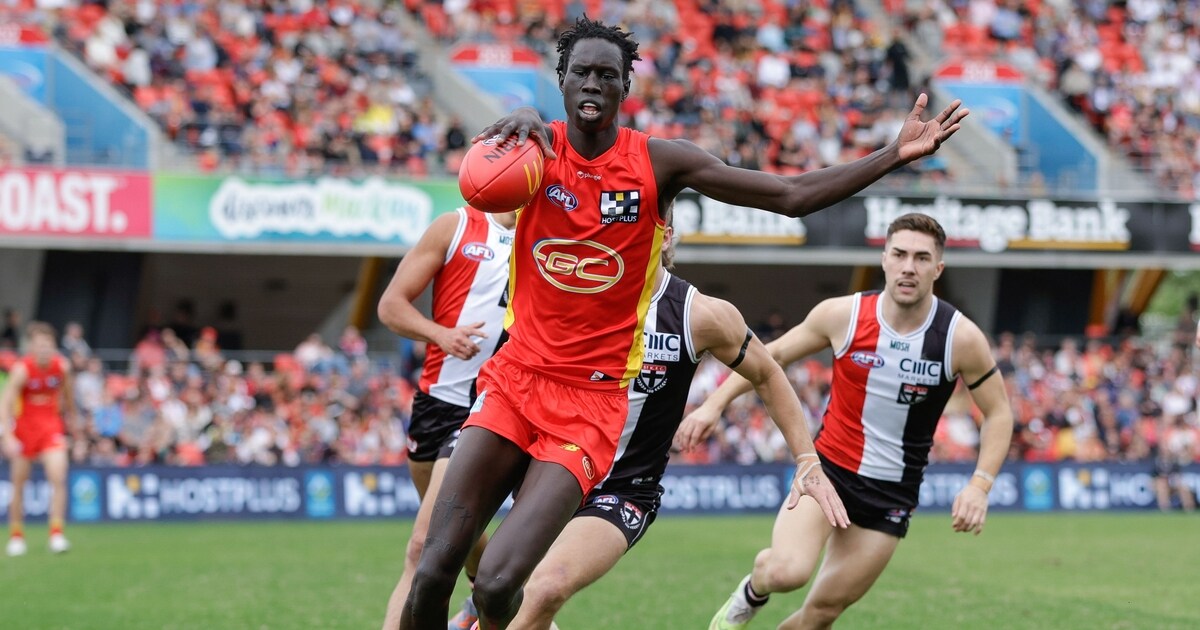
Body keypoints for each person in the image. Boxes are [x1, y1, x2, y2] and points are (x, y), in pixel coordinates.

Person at [400, 16, 968, 630]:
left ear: (626, 87)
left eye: (607, 75)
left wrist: (892, 155)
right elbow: (481, 179)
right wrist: (511, 124)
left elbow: (790, 195)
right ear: (559, 79)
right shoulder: (532, 155)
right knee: (432, 569)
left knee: (499, 586)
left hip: (588, 403)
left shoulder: (660, 163)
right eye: (581, 72)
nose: (593, 83)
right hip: (514, 381)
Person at [509, 213, 849, 630]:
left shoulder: (697, 314)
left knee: (546, 587)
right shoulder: (570, 295)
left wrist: (806, 460)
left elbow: (767, 373)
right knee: (504, 594)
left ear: (665, 237)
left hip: (622, 488)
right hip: (550, 472)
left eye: (634, 227)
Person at [677, 213, 1014, 630]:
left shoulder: (960, 338)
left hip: (890, 494)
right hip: (828, 471)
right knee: (786, 572)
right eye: (900, 254)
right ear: (884, 259)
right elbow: (771, 356)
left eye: (922, 258)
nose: (909, 267)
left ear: (938, 269)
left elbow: (999, 412)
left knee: (820, 616)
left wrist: (980, 485)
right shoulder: (844, 315)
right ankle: (751, 592)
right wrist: (713, 405)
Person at [378, 206, 517, 630]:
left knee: (424, 543)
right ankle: (481, 601)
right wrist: (440, 333)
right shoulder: (455, 226)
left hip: (488, 406)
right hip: (434, 401)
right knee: (462, 531)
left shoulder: (548, 235)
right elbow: (390, 306)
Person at [0, 322, 76, 556]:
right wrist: (7, 435)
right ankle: (16, 536)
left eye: (48, 344)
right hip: (24, 431)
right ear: (32, 347)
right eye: (40, 345)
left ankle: (56, 534)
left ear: (54, 346)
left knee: (58, 476)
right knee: (19, 483)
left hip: (51, 429)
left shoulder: (62, 367)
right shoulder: (22, 370)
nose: (44, 349)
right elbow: (5, 402)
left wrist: (74, 424)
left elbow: (69, 397)